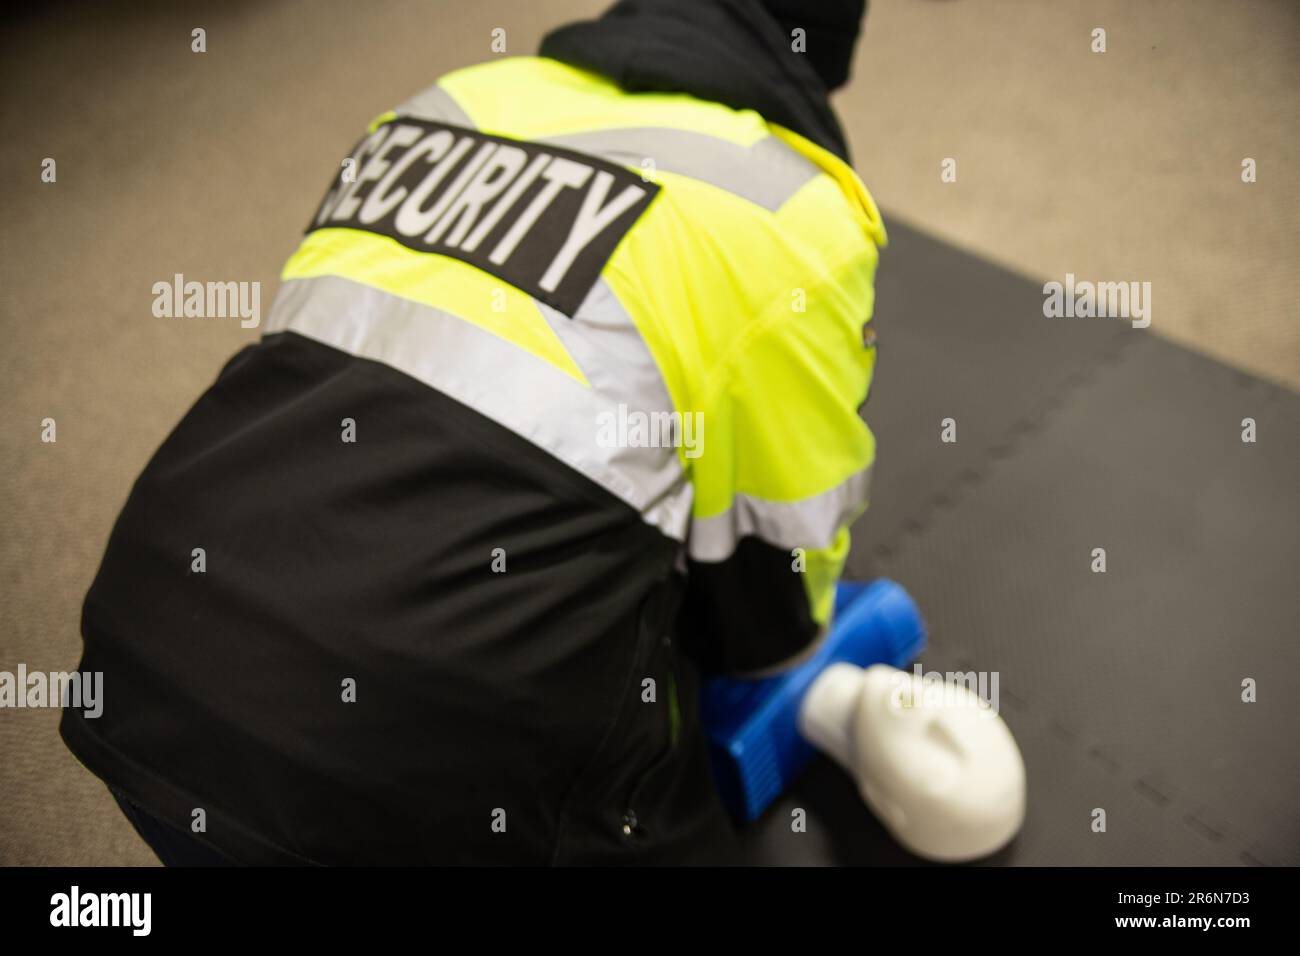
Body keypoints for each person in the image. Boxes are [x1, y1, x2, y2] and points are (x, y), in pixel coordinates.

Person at [61, 0, 885, 865]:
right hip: (416, 764)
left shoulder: (451, 96)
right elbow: (773, 590)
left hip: (146, 667)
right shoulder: (793, 209)